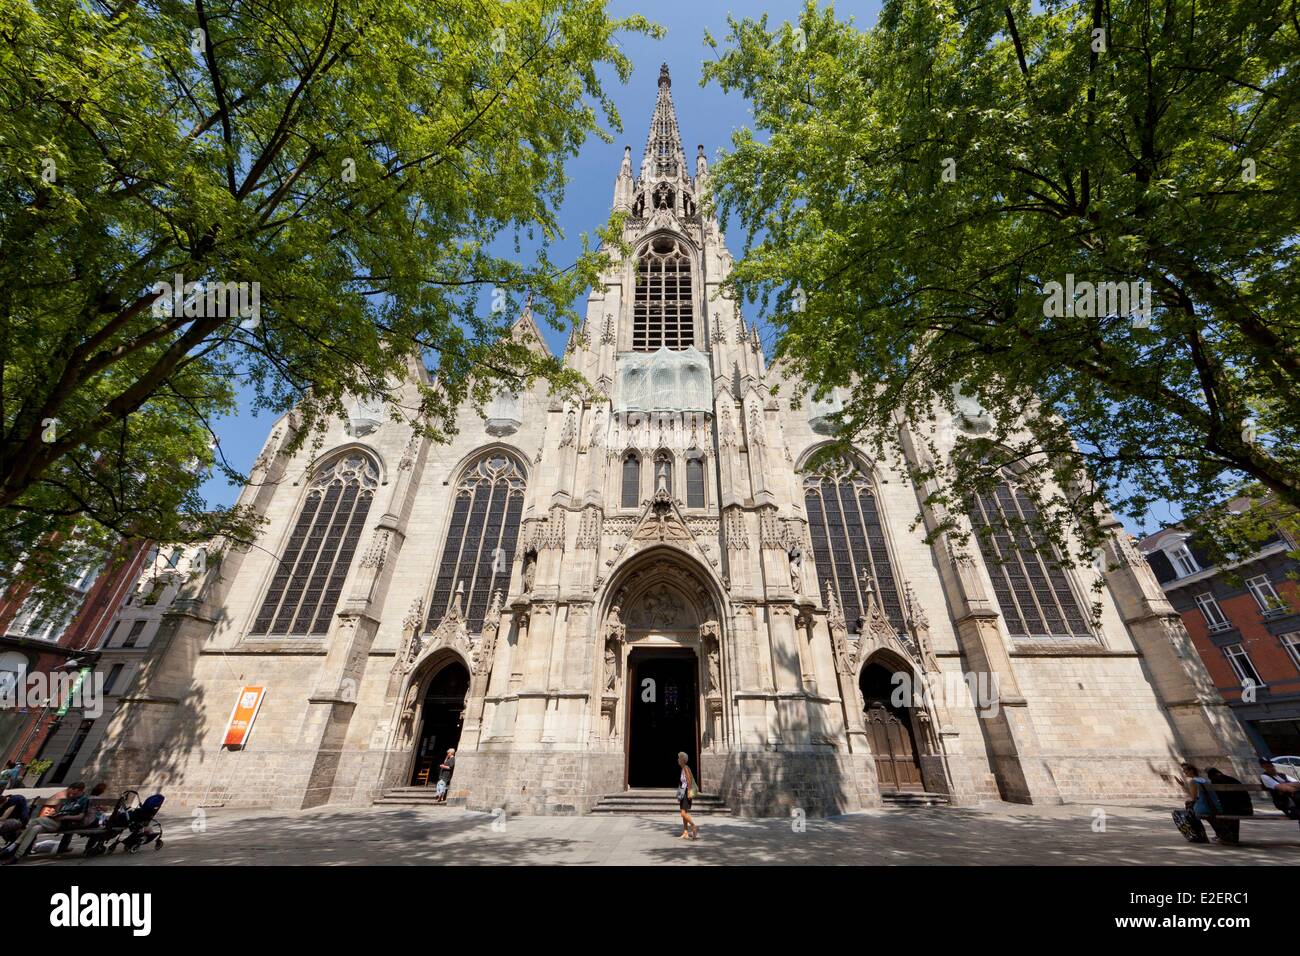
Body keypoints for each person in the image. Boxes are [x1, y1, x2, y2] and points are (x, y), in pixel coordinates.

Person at [0, 781, 89, 864]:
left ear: (77, 790)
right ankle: (16, 856)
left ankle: (13, 846)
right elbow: (62, 810)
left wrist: (65, 817)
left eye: (71, 790)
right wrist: (56, 812)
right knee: (34, 829)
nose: (69, 792)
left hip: (64, 823)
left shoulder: (84, 800)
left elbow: (80, 816)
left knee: (35, 820)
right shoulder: (70, 798)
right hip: (54, 821)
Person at [676, 751, 699, 841]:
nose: (678, 760)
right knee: (684, 812)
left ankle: (693, 826)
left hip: (686, 793)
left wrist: (689, 792)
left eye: (679, 758)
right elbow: (682, 783)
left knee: (683, 813)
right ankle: (685, 832)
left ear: (682, 760)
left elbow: (689, 781)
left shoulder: (686, 768)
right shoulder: (683, 769)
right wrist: (679, 796)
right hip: (683, 793)